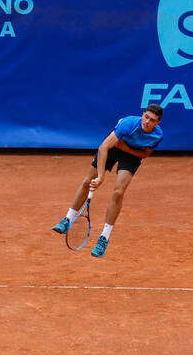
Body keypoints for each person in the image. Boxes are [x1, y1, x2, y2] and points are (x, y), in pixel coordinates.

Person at [52, 104, 163, 258]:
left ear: (157, 123)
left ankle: (104, 237)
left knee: (118, 192)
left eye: (152, 120)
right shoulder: (129, 124)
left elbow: (144, 155)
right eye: (146, 117)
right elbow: (104, 147)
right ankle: (67, 219)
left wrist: (124, 147)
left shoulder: (157, 136)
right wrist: (101, 176)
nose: (147, 122)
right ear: (142, 114)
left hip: (131, 156)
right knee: (87, 181)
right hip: (112, 148)